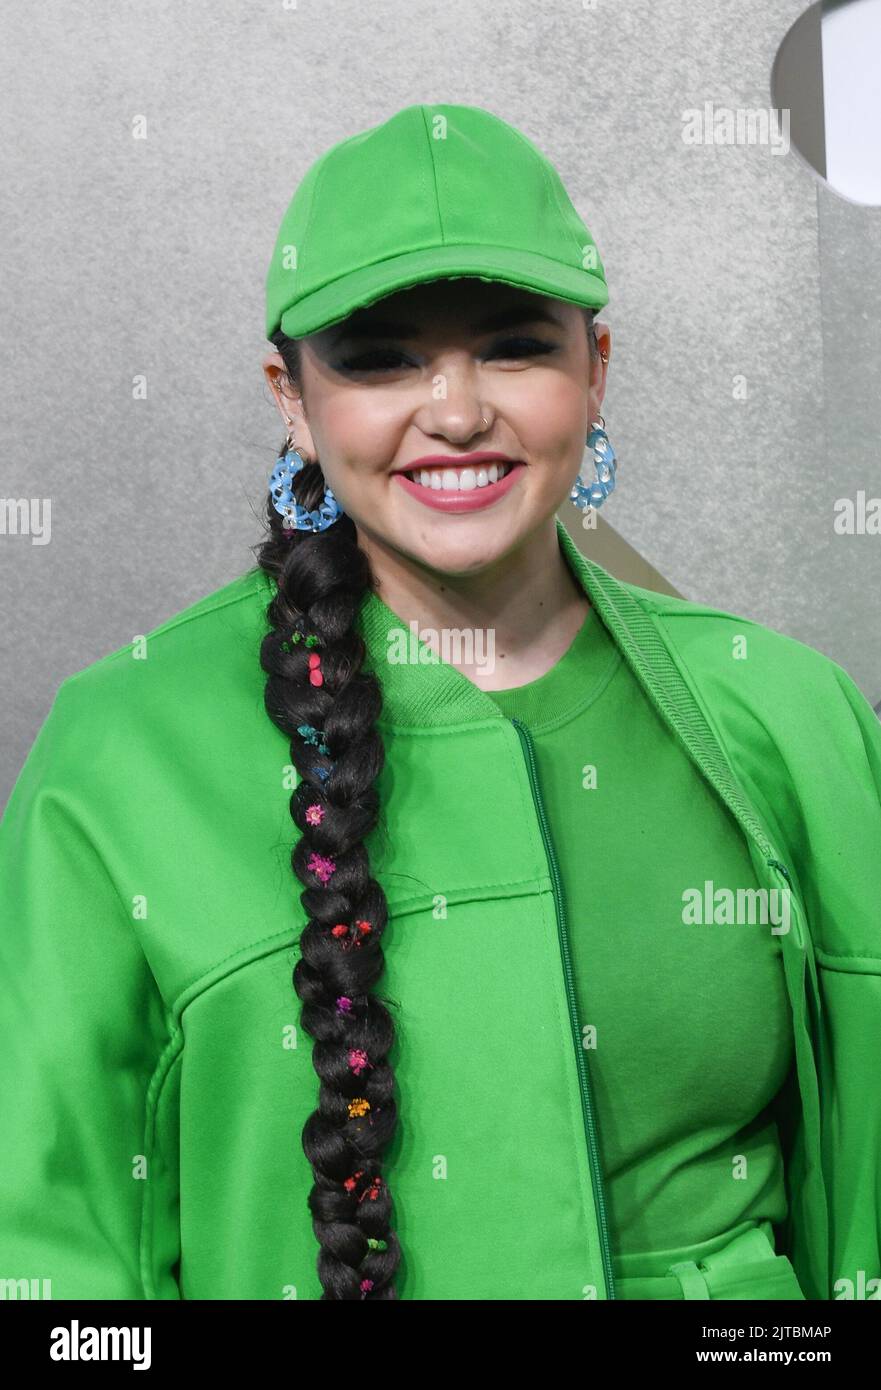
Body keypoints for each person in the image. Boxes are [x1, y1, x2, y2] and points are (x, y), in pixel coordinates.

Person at [1, 103, 880, 1303]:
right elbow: (50, 1254)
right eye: (379, 358)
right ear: (293, 403)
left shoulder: (789, 713)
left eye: (514, 346)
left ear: (595, 371)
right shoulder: (124, 748)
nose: (456, 411)